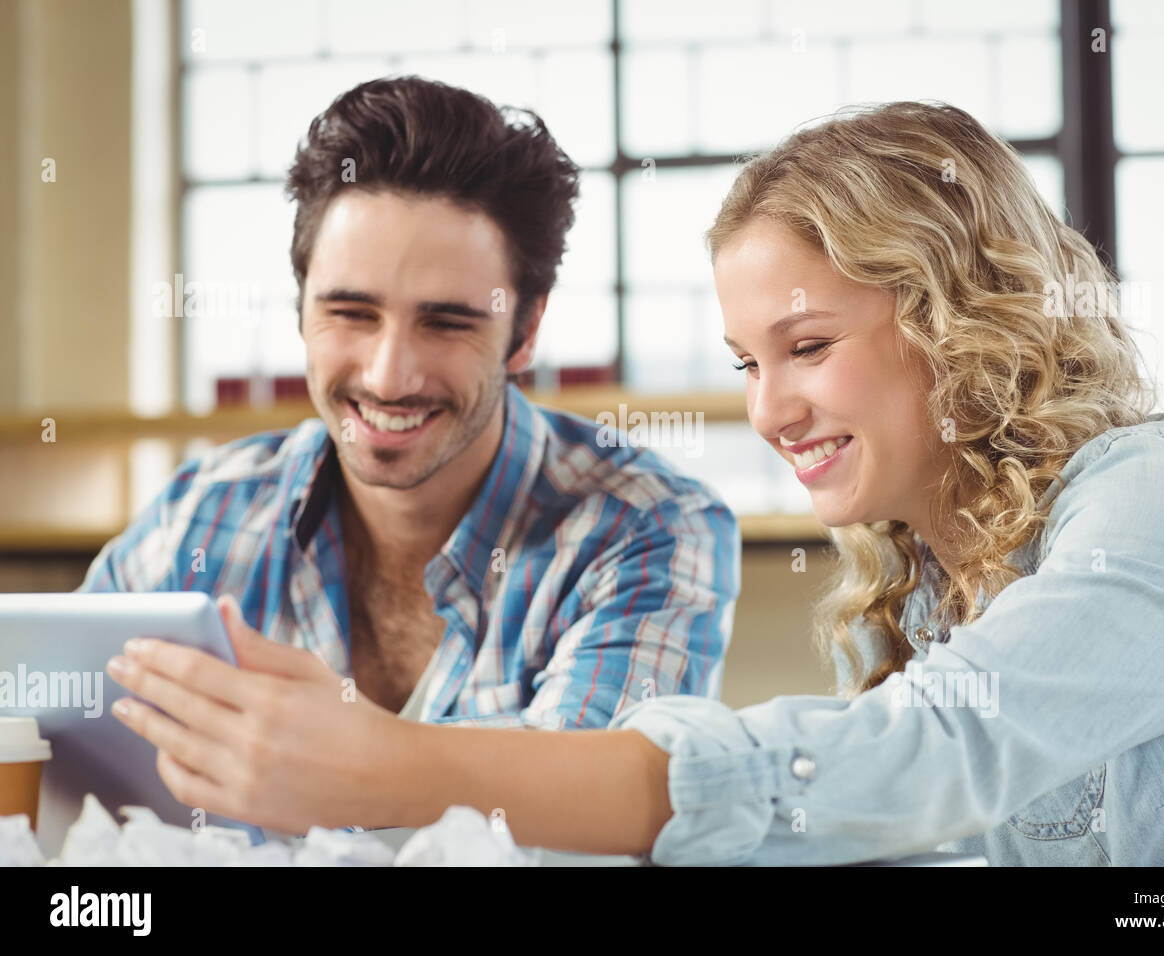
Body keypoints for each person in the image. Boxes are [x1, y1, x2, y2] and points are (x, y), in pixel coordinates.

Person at [108, 101, 1164, 865]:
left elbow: (926, 754)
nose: (767, 410)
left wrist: (393, 766)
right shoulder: (918, 588)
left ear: (958, 319)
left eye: (809, 346)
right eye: (747, 363)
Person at [84, 75, 740, 742]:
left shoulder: (644, 527)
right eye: (350, 312)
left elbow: (588, 821)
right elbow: (46, 728)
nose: (388, 376)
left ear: (526, 330)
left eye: (447, 323)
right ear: (300, 307)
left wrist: (337, 756)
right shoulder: (199, 514)